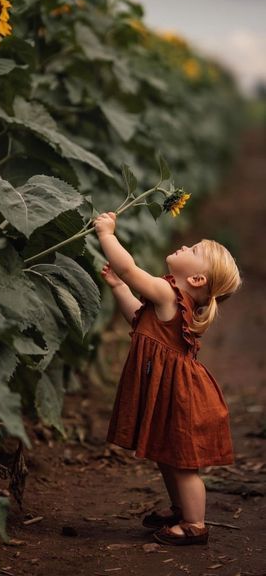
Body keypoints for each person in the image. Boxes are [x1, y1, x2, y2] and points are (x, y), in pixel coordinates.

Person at [93, 211, 242, 546]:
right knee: (167, 455)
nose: (186, 245)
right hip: (171, 392)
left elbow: (130, 269)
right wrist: (117, 287)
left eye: (194, 251)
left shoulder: (165, 292)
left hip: (180, 395)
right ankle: (180, 509)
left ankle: (195, 524)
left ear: (198, 280)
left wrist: (107, 235)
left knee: (183, 464)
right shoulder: (168, 301)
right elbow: (137, 317)